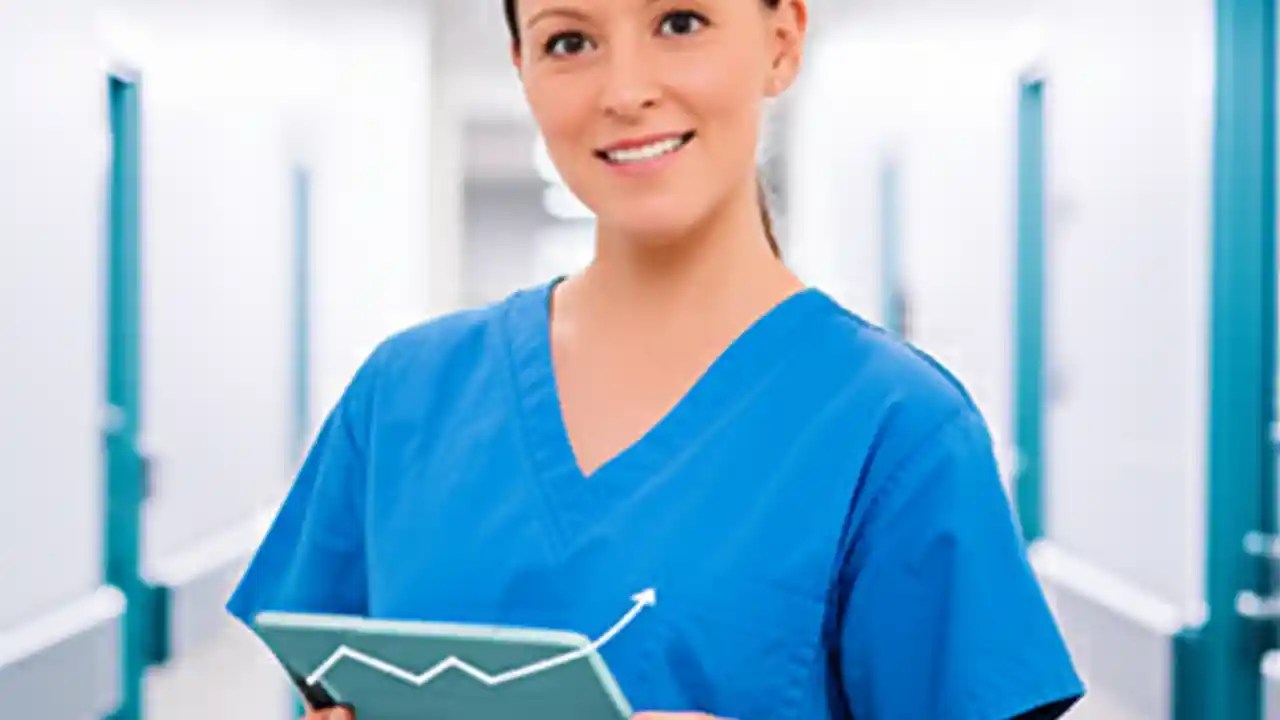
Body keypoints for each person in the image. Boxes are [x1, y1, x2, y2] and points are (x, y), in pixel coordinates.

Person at [226, 0, 1085, 717]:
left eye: (680, 21)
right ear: (522, 67)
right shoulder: (404, 398)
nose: (625, 90)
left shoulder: (897, 428)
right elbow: (324, 691)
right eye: (570, 42)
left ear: (781, 41)